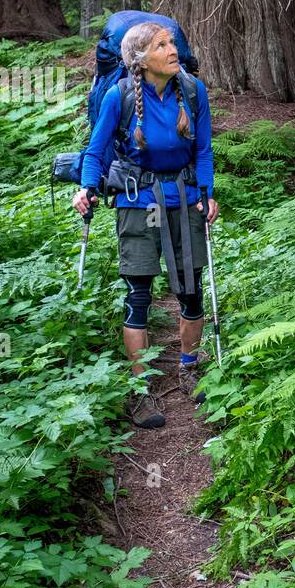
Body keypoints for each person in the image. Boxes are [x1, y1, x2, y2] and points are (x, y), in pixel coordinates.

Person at [73, 22, 218, 429]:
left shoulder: (193, 91)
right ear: (141, 58)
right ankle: (141, 387)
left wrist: (206, 193)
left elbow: (203, 151)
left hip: (184, 200)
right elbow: (95, 151)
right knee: (138, 294)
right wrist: (86, 188)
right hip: (137, 202)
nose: (174, 50)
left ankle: (189, 366)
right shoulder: (119, 98)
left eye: (172, 43)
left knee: (191, 290)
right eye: (162, 45)